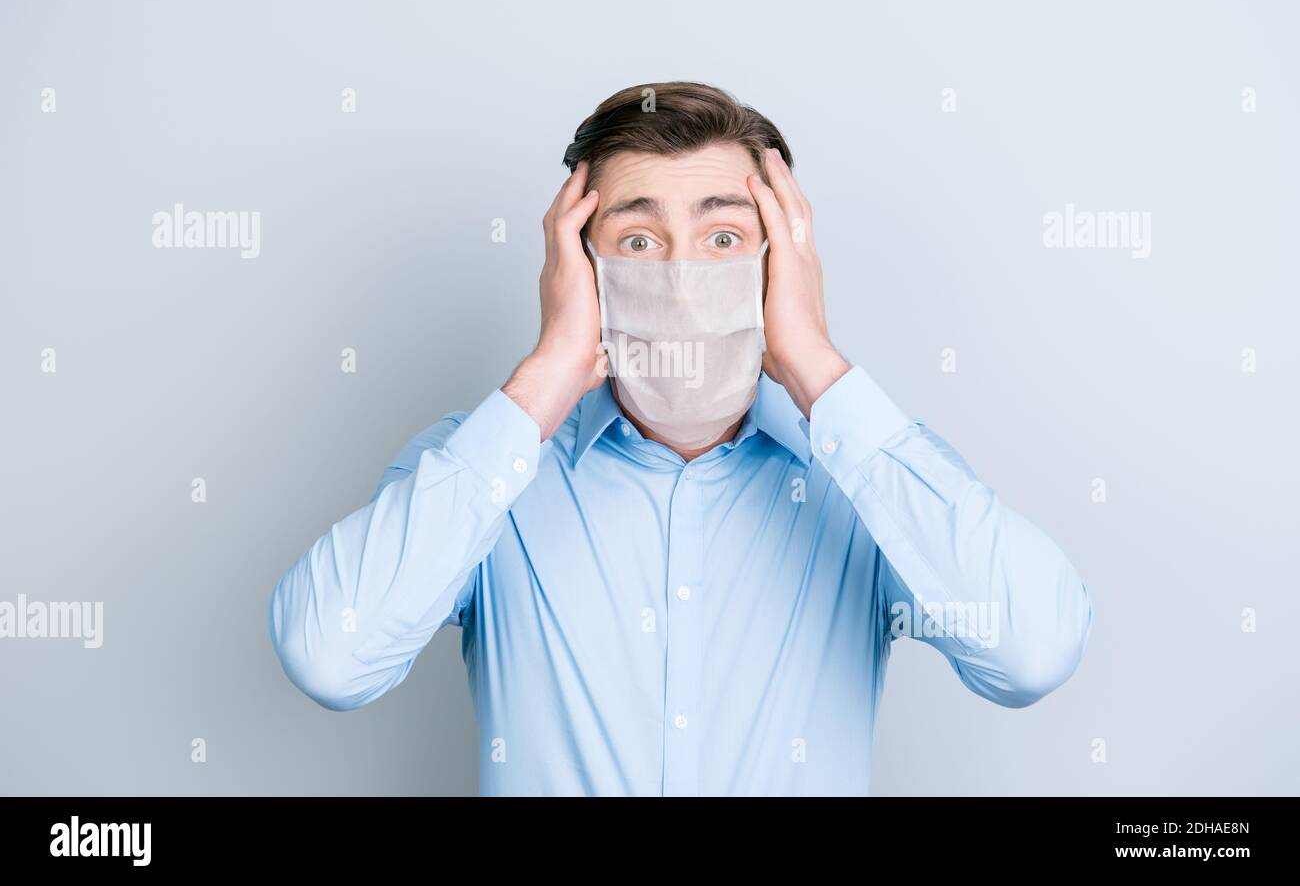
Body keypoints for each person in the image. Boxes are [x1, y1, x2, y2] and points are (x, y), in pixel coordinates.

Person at [268, 81, 1094, 795]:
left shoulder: (869, 473)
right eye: (638, 240)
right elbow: (330, 656)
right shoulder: (484, 466)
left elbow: (1032, 651)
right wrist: (547, 376)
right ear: (580, 270)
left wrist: (812, 362)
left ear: (780, 264)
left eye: (723, 239)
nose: (682, 274)